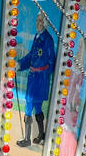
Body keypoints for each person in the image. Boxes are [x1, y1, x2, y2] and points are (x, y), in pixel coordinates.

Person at [16, 10, 56, 147]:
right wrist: (20, 64)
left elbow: (51, 61)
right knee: (36, 107)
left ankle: (28, 138)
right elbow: (31, 56)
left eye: (40, 21)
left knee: (30, 105)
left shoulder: (47, 40)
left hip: (39, 80)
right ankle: (41, 134)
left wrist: (44, 75)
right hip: (34, 78)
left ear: (45, 24)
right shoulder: (37, 37)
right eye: (37, 20)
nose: (38, 23)